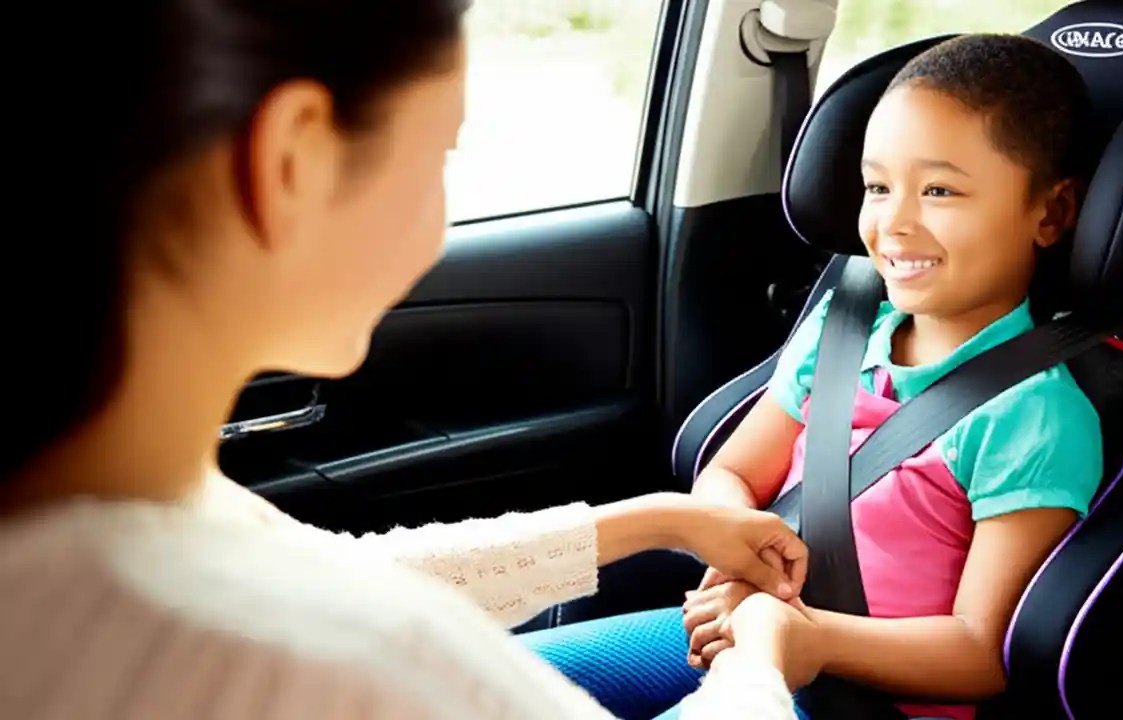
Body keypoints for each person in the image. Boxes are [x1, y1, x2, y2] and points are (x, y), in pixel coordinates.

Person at [0, 2, 815, 718]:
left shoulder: (98, 514)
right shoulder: (355, 668)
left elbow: (328, 577)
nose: (436, 228)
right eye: (440, 157)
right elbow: (339, 610)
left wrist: (661, 520)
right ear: (294, 162)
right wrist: (760, 669)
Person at [522, 33, 1103, 720]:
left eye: (939, 191)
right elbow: (733, 474)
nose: (894, 222)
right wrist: (738, 548)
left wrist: (812, 639)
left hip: (866, 703)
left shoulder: (1034, 416)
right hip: (755, 633)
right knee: (484, 679)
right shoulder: (843, 327)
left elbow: (980, 652)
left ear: (1051, 213)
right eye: (878, 187)